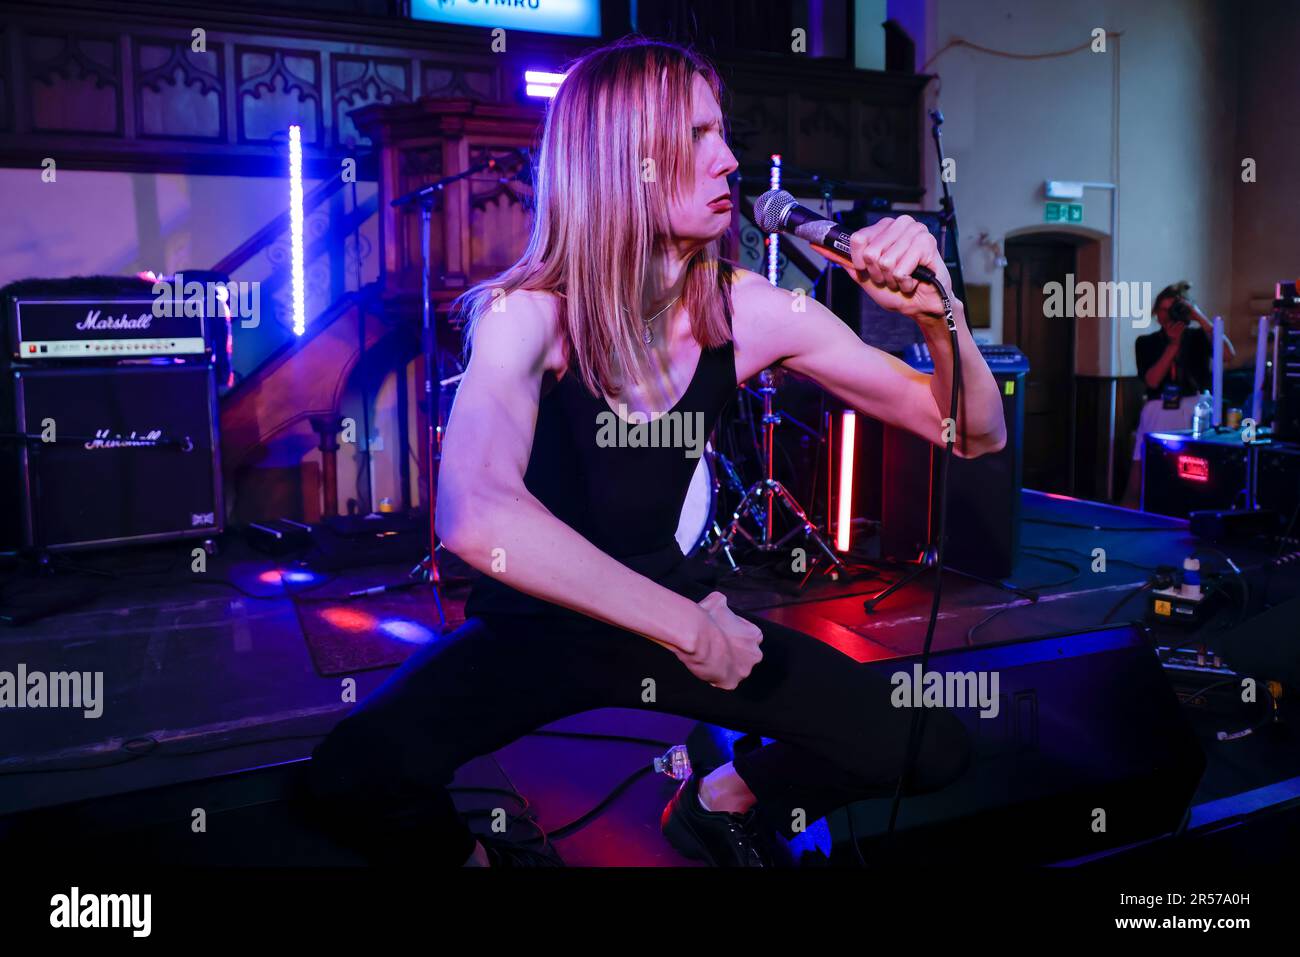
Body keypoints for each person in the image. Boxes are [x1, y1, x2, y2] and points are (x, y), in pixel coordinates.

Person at [305, 36, 1007, 868]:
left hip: (675, 612)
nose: (729, 162)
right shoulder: (525, 315)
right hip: (546, 625)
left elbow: (972, 431)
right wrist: (682, 625)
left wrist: (940, 315)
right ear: (616, 160)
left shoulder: (750, 309)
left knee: (929, 746)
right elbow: (475, 514)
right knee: (352, 775)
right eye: (697, 138)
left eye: (723, 134)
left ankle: (723, 798)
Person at [1121, 281, 1223, 509]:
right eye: (1163, 309)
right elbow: (1152, 380)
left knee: (1192, 470)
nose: (1168, 315)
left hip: (1194, 407)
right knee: (1142, 466)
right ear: (1156, 312)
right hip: (1159, 409)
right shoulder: (1146, 342)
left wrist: (1200, 317)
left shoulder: (1198, 338)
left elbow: (1227, 354)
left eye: (1174, 309)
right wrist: (1173, 346)